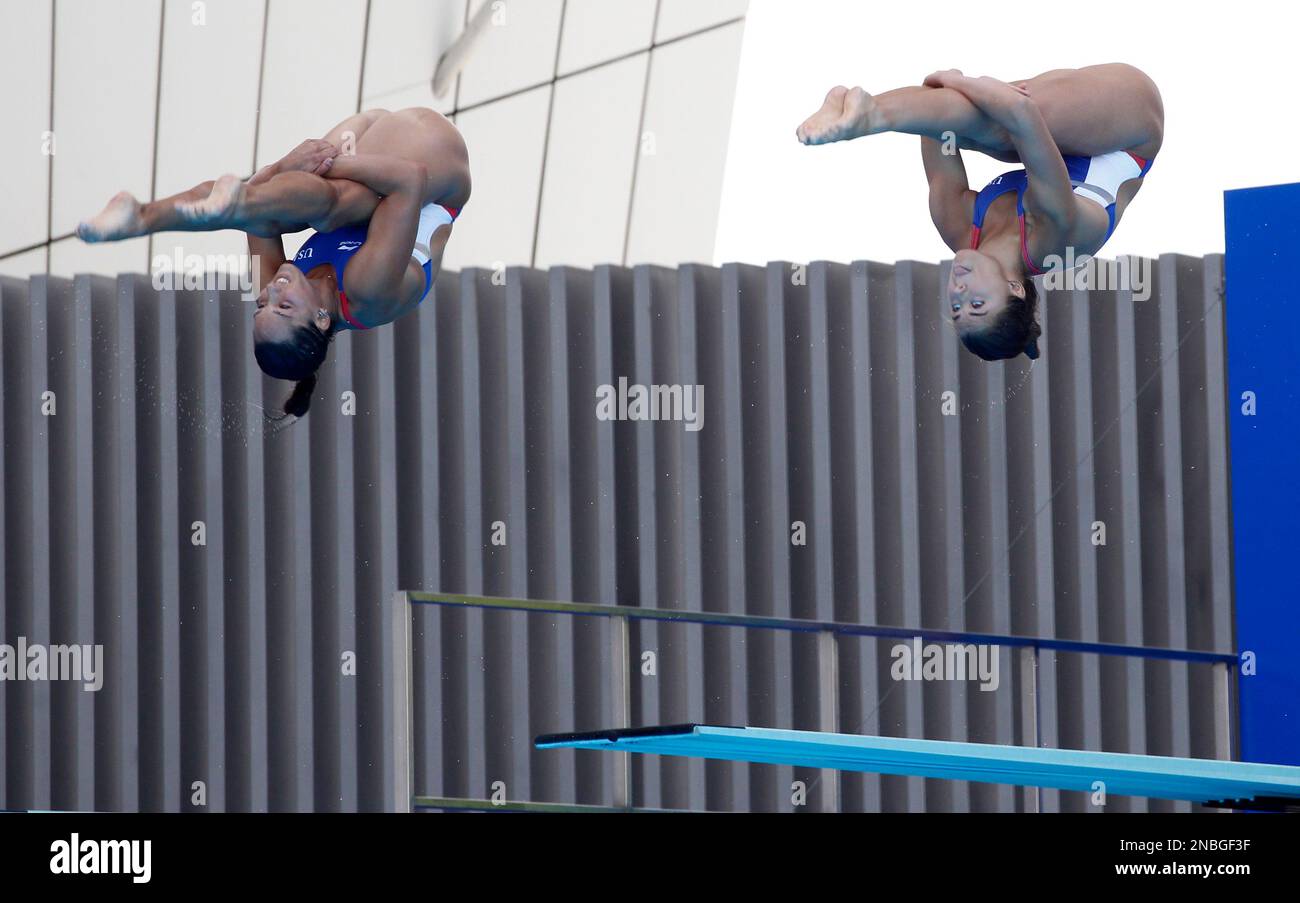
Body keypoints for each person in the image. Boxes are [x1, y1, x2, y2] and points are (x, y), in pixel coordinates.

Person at [79, 107, 471, 415]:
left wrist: (285, 167)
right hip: (436, 163)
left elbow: (252, 197)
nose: (271, 291)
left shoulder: (269, 284)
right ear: (320, 319)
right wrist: (309, 166)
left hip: (371, 137)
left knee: (257, 210)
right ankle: (156, 217)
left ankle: (143, 217)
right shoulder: (367, 293)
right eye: (283, 305)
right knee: (331, 206)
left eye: (262, 305)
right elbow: (408, 180)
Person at [797, 64, 1164, 360]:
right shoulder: (1056, 236)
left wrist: (943, 96)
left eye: (956, 308)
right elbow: (1021, 114)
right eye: (976, 303)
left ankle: (854, 111)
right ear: (1015, 288)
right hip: (1130, 128)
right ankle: (864, 116)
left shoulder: (956, 225)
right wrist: (957, 81)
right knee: (1001, 125)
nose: (958, 291)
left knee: (971, 124)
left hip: (1053, 130)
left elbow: (936, 127)